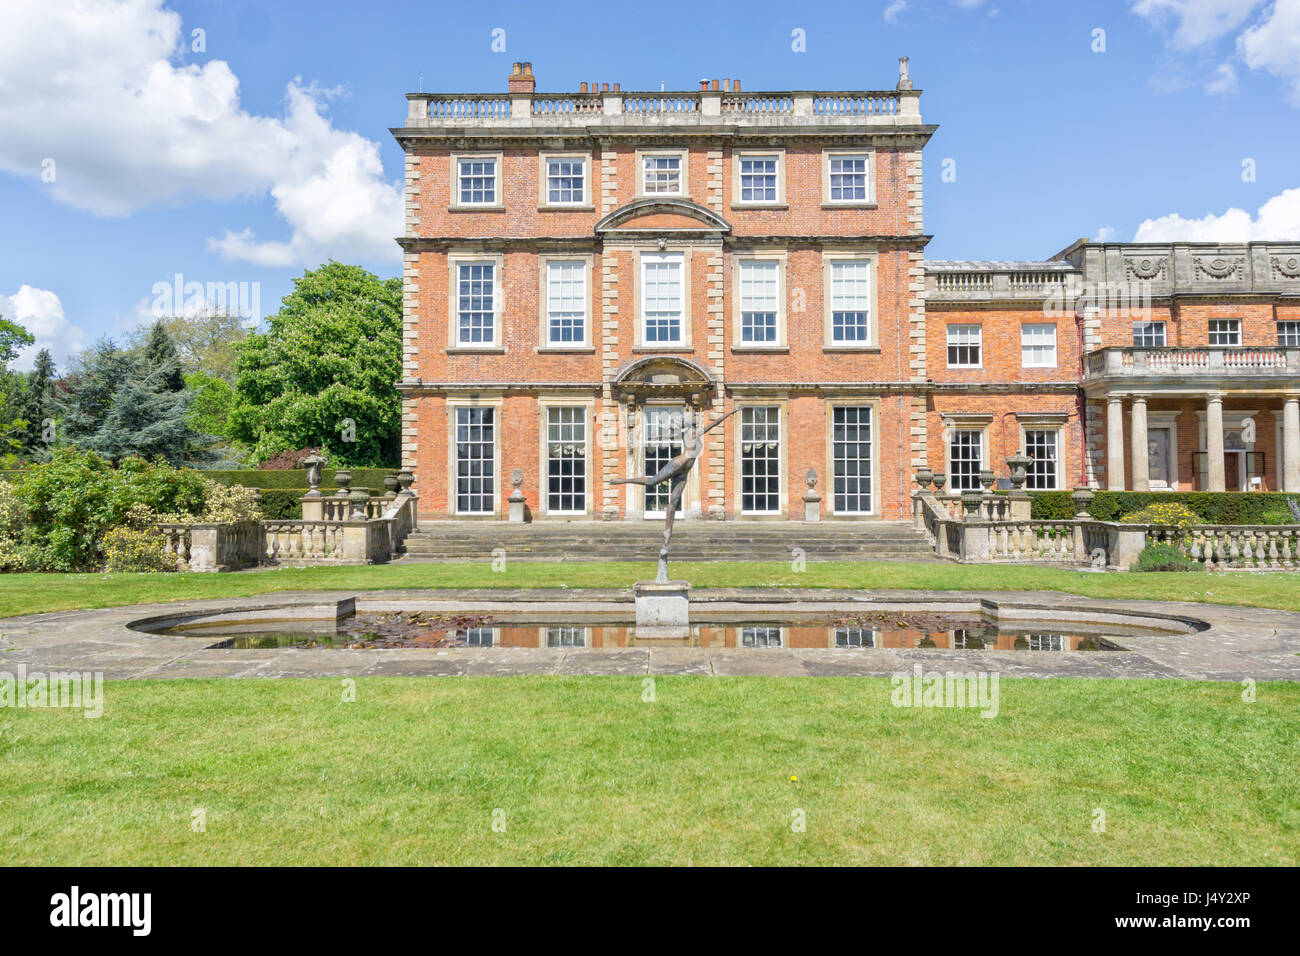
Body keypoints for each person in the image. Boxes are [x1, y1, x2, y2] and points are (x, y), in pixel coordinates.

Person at [611, 406, 738, 579]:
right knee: (653, 481)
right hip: (680, 463)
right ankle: (623, 480)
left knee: (674, 501)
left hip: (685, 470)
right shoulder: (692, 433)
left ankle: (667, 534)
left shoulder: (689, 433)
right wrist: (730, 413)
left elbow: (671, 435)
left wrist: (730, 413)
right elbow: (713, 424)